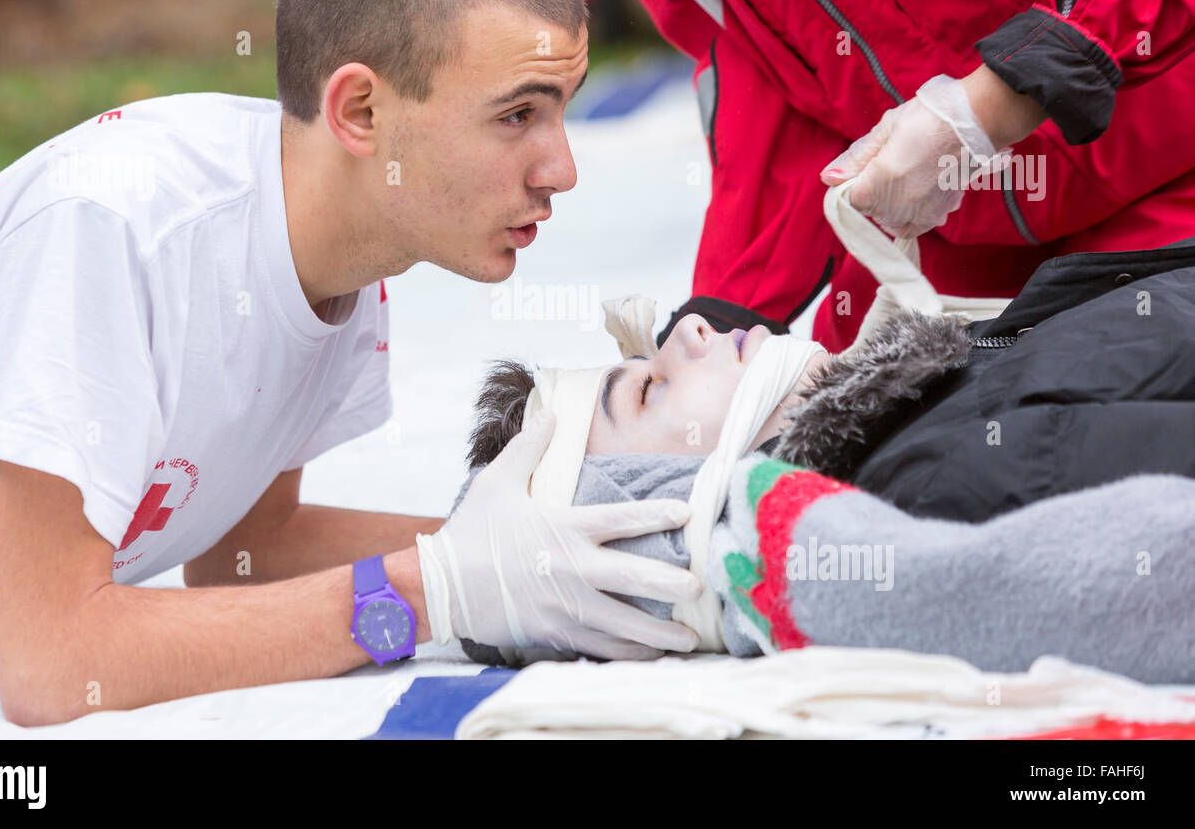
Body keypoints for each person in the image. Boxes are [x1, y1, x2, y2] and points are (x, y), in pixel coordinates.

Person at [0, 0, 703, 726]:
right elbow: (53, 663)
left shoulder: (342, 247)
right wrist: (436, 590)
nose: (562, 169)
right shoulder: (110, 229)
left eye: (560, 110)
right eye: (516, 114)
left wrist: (549, 546)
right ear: (359, 111)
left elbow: (247, 549)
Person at [449, 235, 1195, 681]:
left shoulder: (938, 395)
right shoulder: (943, 477)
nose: (694, 328)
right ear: (660, 504)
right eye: (646, 391)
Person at [513, 0, 1195, 352]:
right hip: (946, 240)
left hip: (1169, 169)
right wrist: (730, 316)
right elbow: (767, 67)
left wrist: (987, 105)